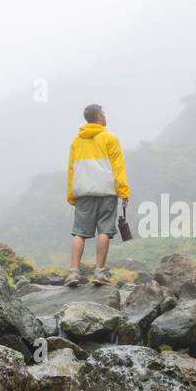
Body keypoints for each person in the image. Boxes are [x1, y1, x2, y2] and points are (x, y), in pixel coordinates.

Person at [65, 103, 129, 286]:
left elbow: (71, 169)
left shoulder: (76, 141)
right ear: (99, 117)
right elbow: (118, 167)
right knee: (105, 230)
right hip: (106, 191)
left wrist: (71, 194)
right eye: (104, 112)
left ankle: (73, 273)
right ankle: (100, 273)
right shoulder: (110, 138)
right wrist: (123, 191)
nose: (105, 115)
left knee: (79, 232)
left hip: (83, 192)